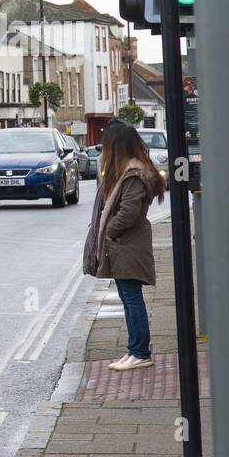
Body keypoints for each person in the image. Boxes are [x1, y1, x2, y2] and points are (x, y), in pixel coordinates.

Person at [83, 124, 167, 371]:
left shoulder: (133, 175)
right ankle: (134, 350)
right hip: (124, 245)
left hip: (128, 244)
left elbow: (128, 213)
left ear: (118, 147)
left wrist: (109, 231)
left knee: (132, 298)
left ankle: (140, 352)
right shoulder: (126, 172)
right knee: (128, 297)